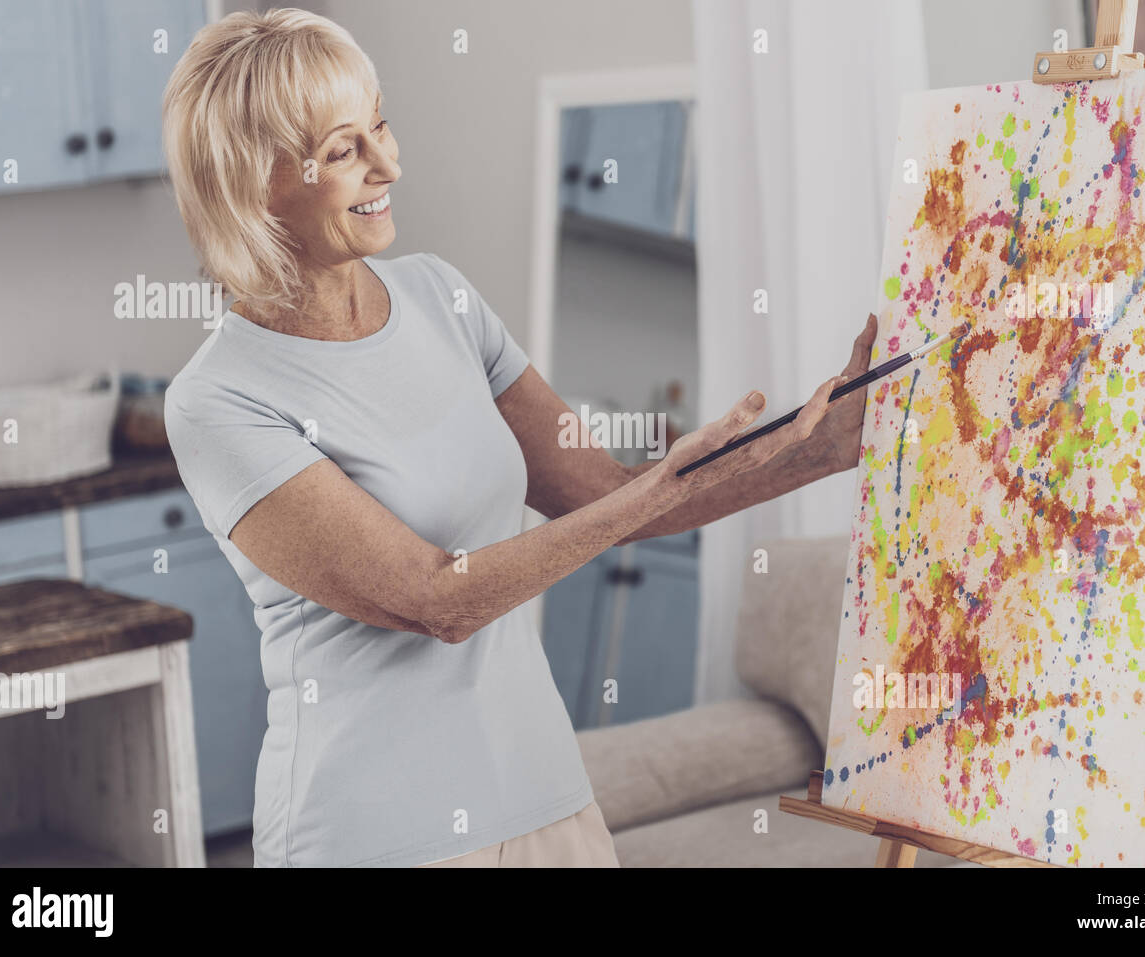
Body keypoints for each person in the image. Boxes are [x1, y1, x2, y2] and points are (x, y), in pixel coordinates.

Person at [160, 7, 877, 867]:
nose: (389, 163)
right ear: (253, 182)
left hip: (544, 794)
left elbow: (605, 496)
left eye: (381, 123)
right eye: (344, 148)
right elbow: (436, 599)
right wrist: (656, 490)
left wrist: (821, 445)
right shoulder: (218, 398)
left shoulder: (439, 295)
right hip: (376, 831)